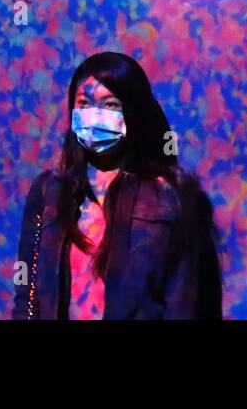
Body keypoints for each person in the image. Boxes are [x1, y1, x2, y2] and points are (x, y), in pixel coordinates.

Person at [11, 51, 222, 319]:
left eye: (110, 105)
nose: (95, 116)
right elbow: (27, 292)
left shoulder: (171, 199)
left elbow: (189, 305)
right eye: (84, 103)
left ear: (133, 112)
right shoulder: (49, 191)